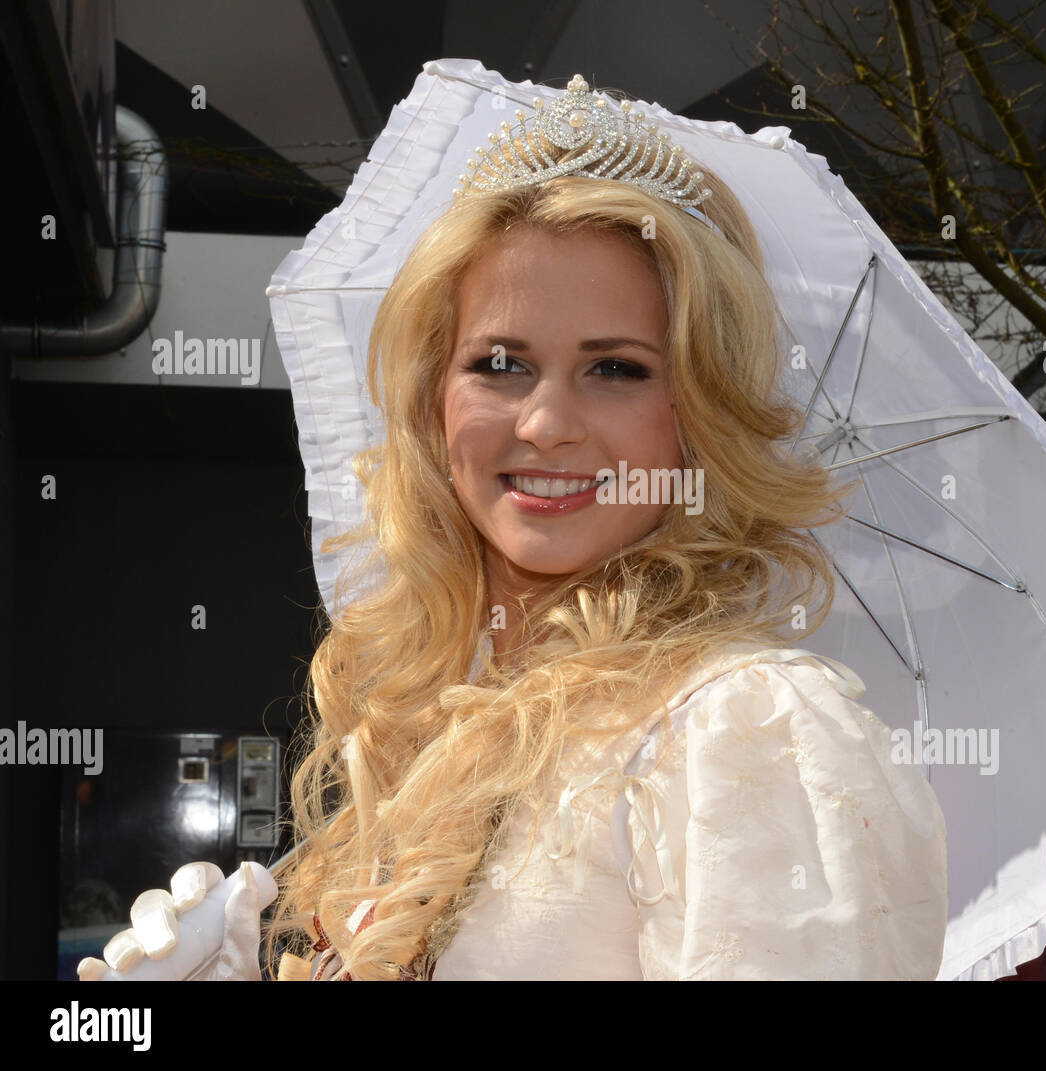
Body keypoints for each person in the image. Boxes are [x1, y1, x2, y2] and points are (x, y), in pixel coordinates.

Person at [79, 79, 948, 980]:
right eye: (500, 363)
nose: (545, 423)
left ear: (699, 414)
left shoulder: (748, 729)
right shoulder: (432, 732)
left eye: (615, 367)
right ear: (434, 401)